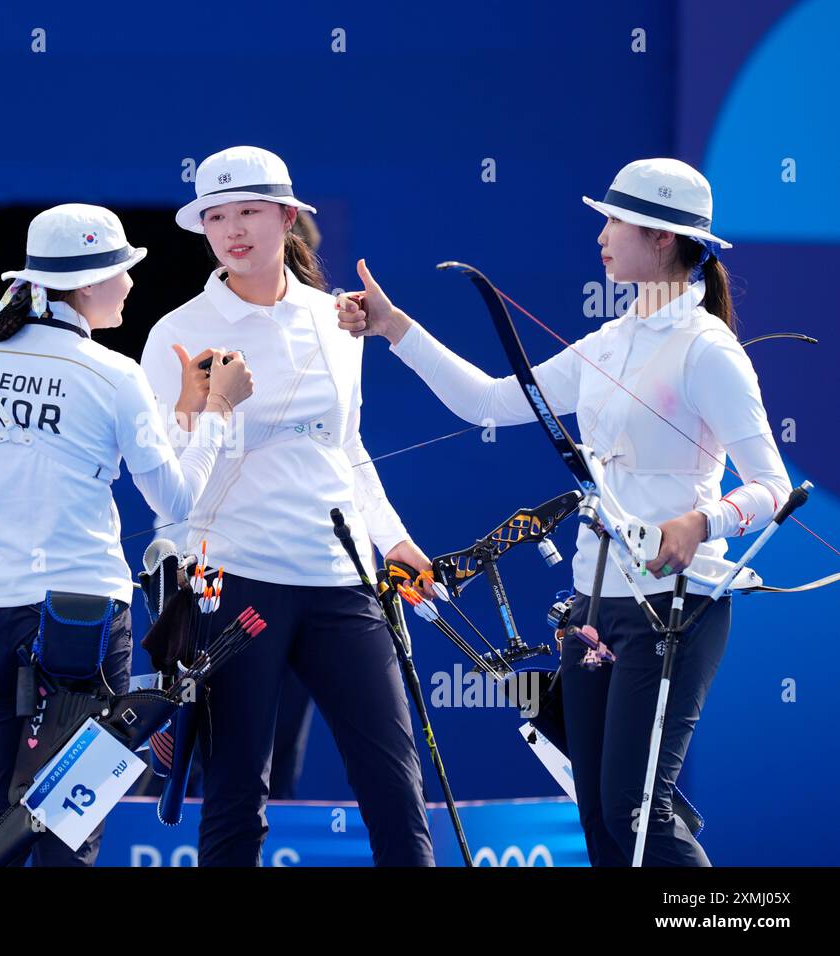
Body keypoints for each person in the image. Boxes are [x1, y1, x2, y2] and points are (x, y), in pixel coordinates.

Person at [336, 158, 791, 866]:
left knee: (639, 814)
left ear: (663, 238)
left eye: (615, 221)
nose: (602, 234)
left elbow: (771, 483)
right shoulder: (612, 342)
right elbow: (490, 401)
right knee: (601, 824)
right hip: (591, 612)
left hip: (675, 607)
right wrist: (396, 329)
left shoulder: (709, 350)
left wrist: (700, 524)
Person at [0, 203, 253, 865]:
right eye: (122, 270)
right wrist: (216, 414)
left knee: (3, 823)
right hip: (86, 625)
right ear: (85, 286)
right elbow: (178, 502)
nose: (133, 282)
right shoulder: (115, 374)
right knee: (67, 831)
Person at [141, 146, 436, 866]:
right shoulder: (174, 334)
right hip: (232, 581)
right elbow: (167, 484)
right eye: (217, 216)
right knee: (237, 791)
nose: (234, 230)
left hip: (341, 580)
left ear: (286, 218)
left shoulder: (336, 321)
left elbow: (347, 448)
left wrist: (393, 539)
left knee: (395, 785)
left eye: (249, 212)